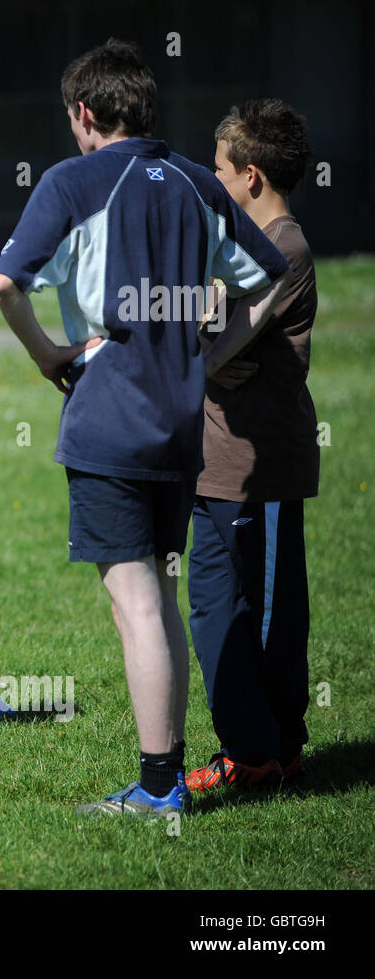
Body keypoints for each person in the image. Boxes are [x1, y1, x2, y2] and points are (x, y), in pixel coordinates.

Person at [0, 40, 291, 817]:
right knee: (155, 590)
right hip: (182, 424)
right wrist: (213, 350)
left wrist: (48, 354)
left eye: (71, 117)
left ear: (85, 113)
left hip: (108, 419)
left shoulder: (71, 180)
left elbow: (5, 282)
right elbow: (269, 278)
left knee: (136, 604)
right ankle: (166, 778)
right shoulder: (197, 181)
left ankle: (158, 788)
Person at [186, 99, 318, 793]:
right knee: (212, 609)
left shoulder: (285, 249)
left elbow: (214, 349)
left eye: (219, 171)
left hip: (261, 464)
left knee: (266, 613)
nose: (211, 183)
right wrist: (211, 334)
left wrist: (211, 341)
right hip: (215, 461)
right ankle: (250, 746)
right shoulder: (236, 249)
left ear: (253, 179)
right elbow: (207, 331)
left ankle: (272, 753)